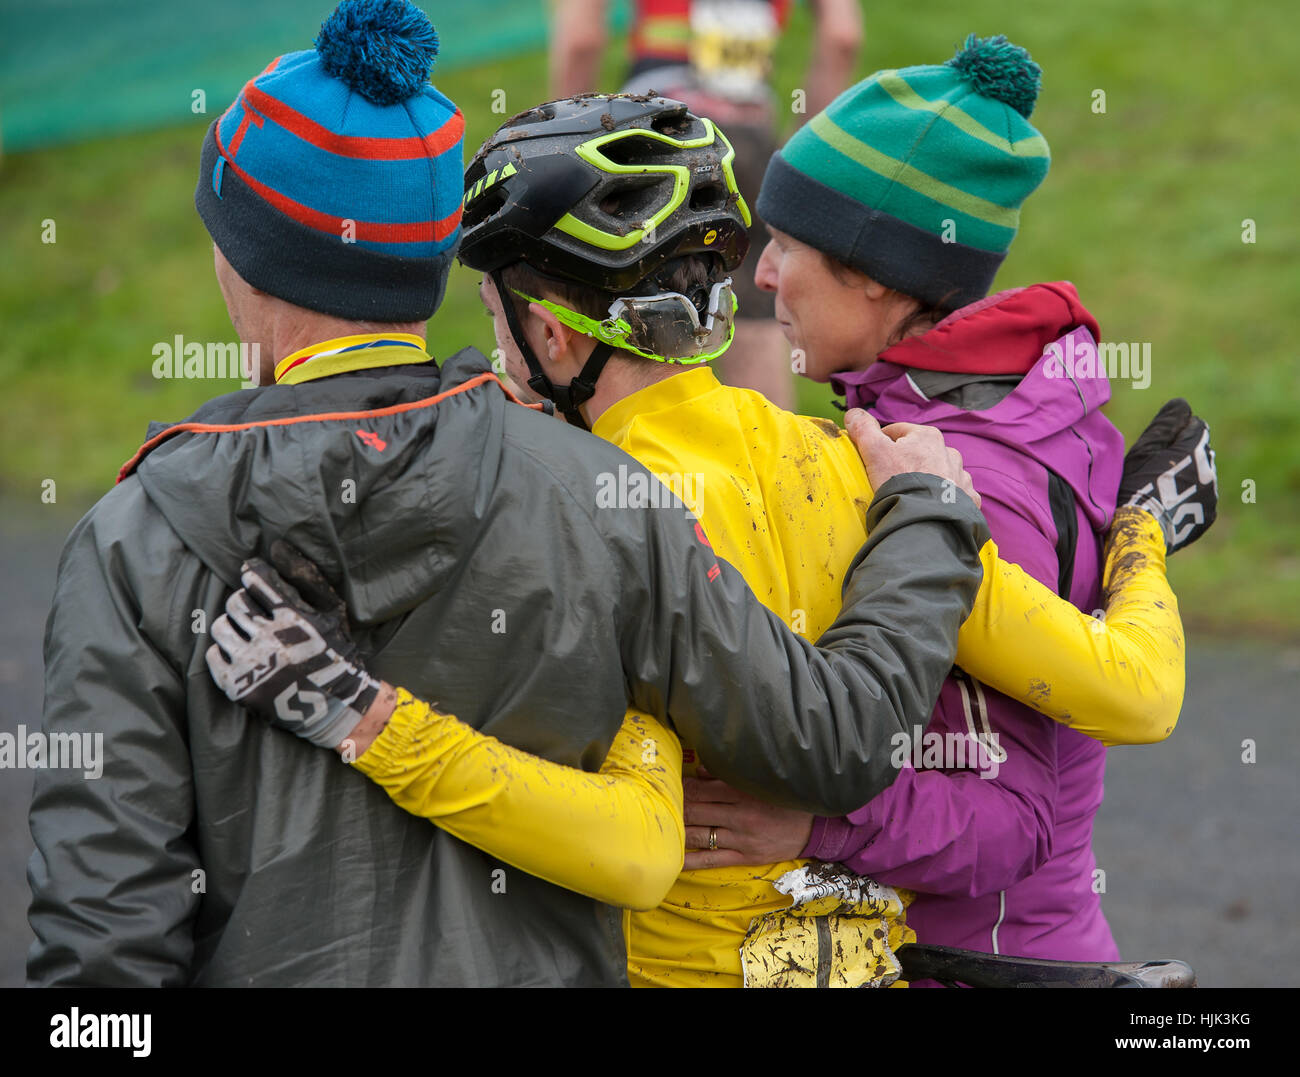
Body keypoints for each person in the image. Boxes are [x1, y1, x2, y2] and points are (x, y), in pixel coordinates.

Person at [25, 0, 995, 989]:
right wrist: (924, 520)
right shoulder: (603, 492)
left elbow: (102, 941)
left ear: (237, 257)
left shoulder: (134, 534)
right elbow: (831, 742)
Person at [212, 88, 1209, 988]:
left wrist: (367, 720)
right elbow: (1124, 687)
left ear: (554, 339)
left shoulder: (579, 510)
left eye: (495, 317)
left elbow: (636, 851)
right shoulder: (873, 466)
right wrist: (1136, 532)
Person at [681, 35, 1221, 976]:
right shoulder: (949, 410)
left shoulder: (974, 477)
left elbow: (1008, 822)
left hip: (985, 962)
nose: (761, 277)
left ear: (882, 274)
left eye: (789, 247)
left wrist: (815, 821)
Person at [550, 0, 864, 409]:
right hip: (745, 145)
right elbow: (843, 36)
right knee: (752, 322)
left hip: (652, 134)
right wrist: (799, 151)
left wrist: (561, 149)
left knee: (587, 314)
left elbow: (582, 40)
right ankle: (773, 465)